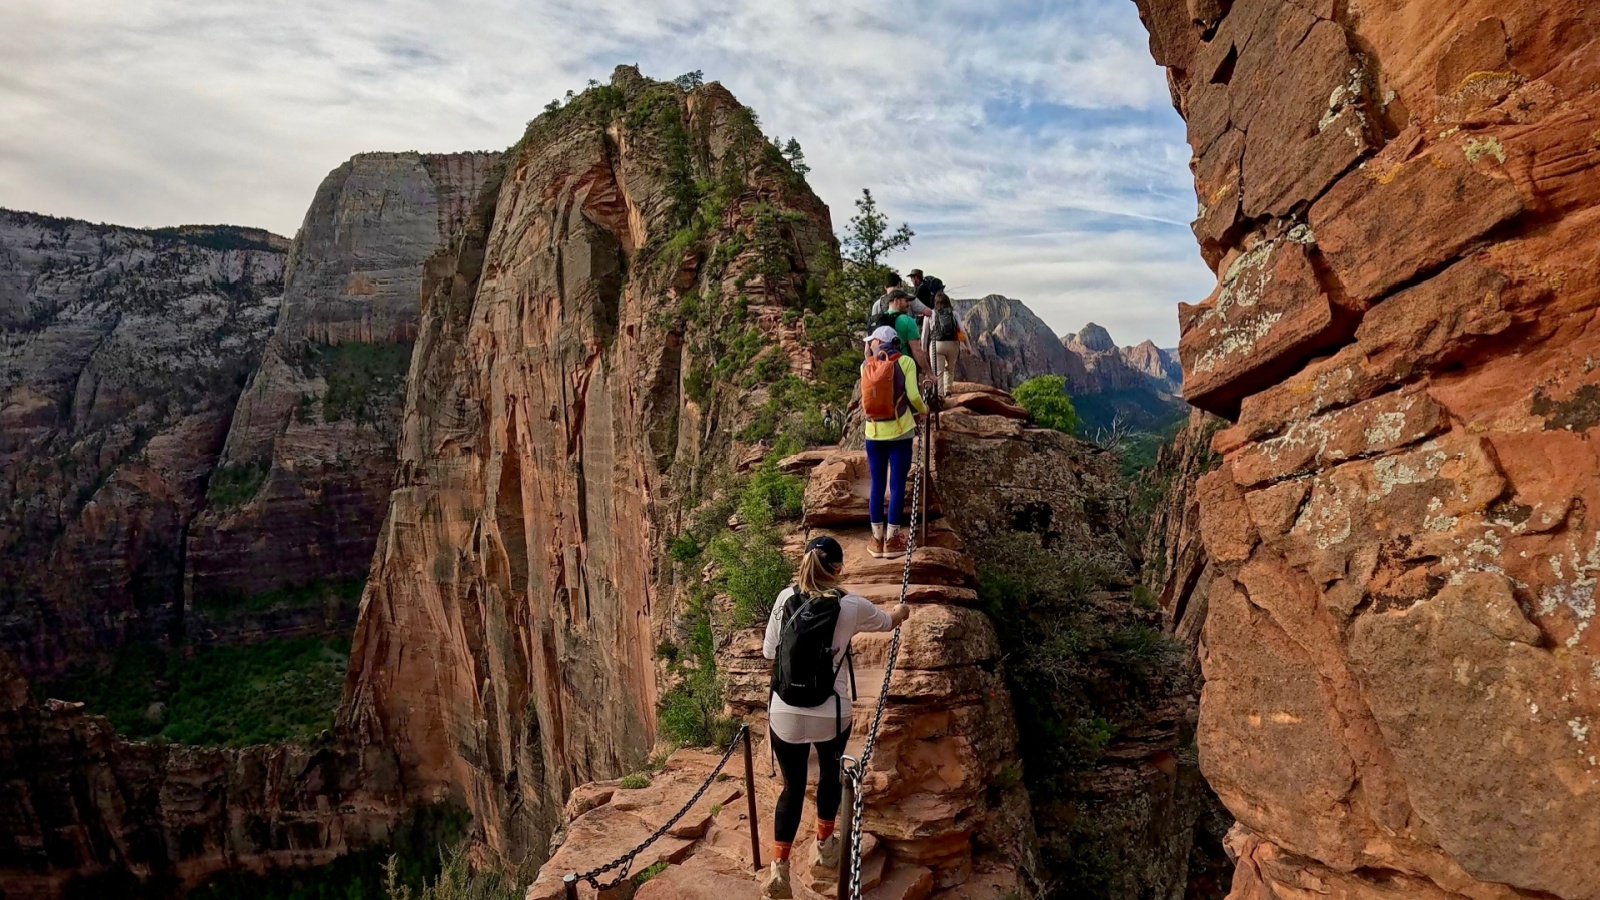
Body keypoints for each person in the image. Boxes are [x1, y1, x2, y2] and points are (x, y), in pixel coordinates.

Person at [761, 536, 910, 899]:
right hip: (831, 709)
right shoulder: (851, 605)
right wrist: (902, 612)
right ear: (839, 568)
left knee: (792, 788)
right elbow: (889, 622)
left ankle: (779, 869)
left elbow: (769, 653)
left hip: (786, 711)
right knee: (830, 775)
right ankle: (825, 846)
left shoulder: (784, 598)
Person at [859, 325, 927, 558]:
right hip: (900, 431)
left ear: (878, 341)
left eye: (871, 340)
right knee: (897, 485)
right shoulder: (906, 362)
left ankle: (876, 541)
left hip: (873, 432)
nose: (869, 344)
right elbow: (914, 396)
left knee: (877, 484)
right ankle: (893, 541)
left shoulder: (865, 365)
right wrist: (923, 410)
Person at [926, 292, 972, 396]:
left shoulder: (930, 314)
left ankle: (939, 395)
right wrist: (968, 346)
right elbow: (962, 331)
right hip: (953, 345)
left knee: (938, 372)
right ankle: (948, 391)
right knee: (950, 369)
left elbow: (925, 334)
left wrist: (923, 350)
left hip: (936, 345)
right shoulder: (954, 314)